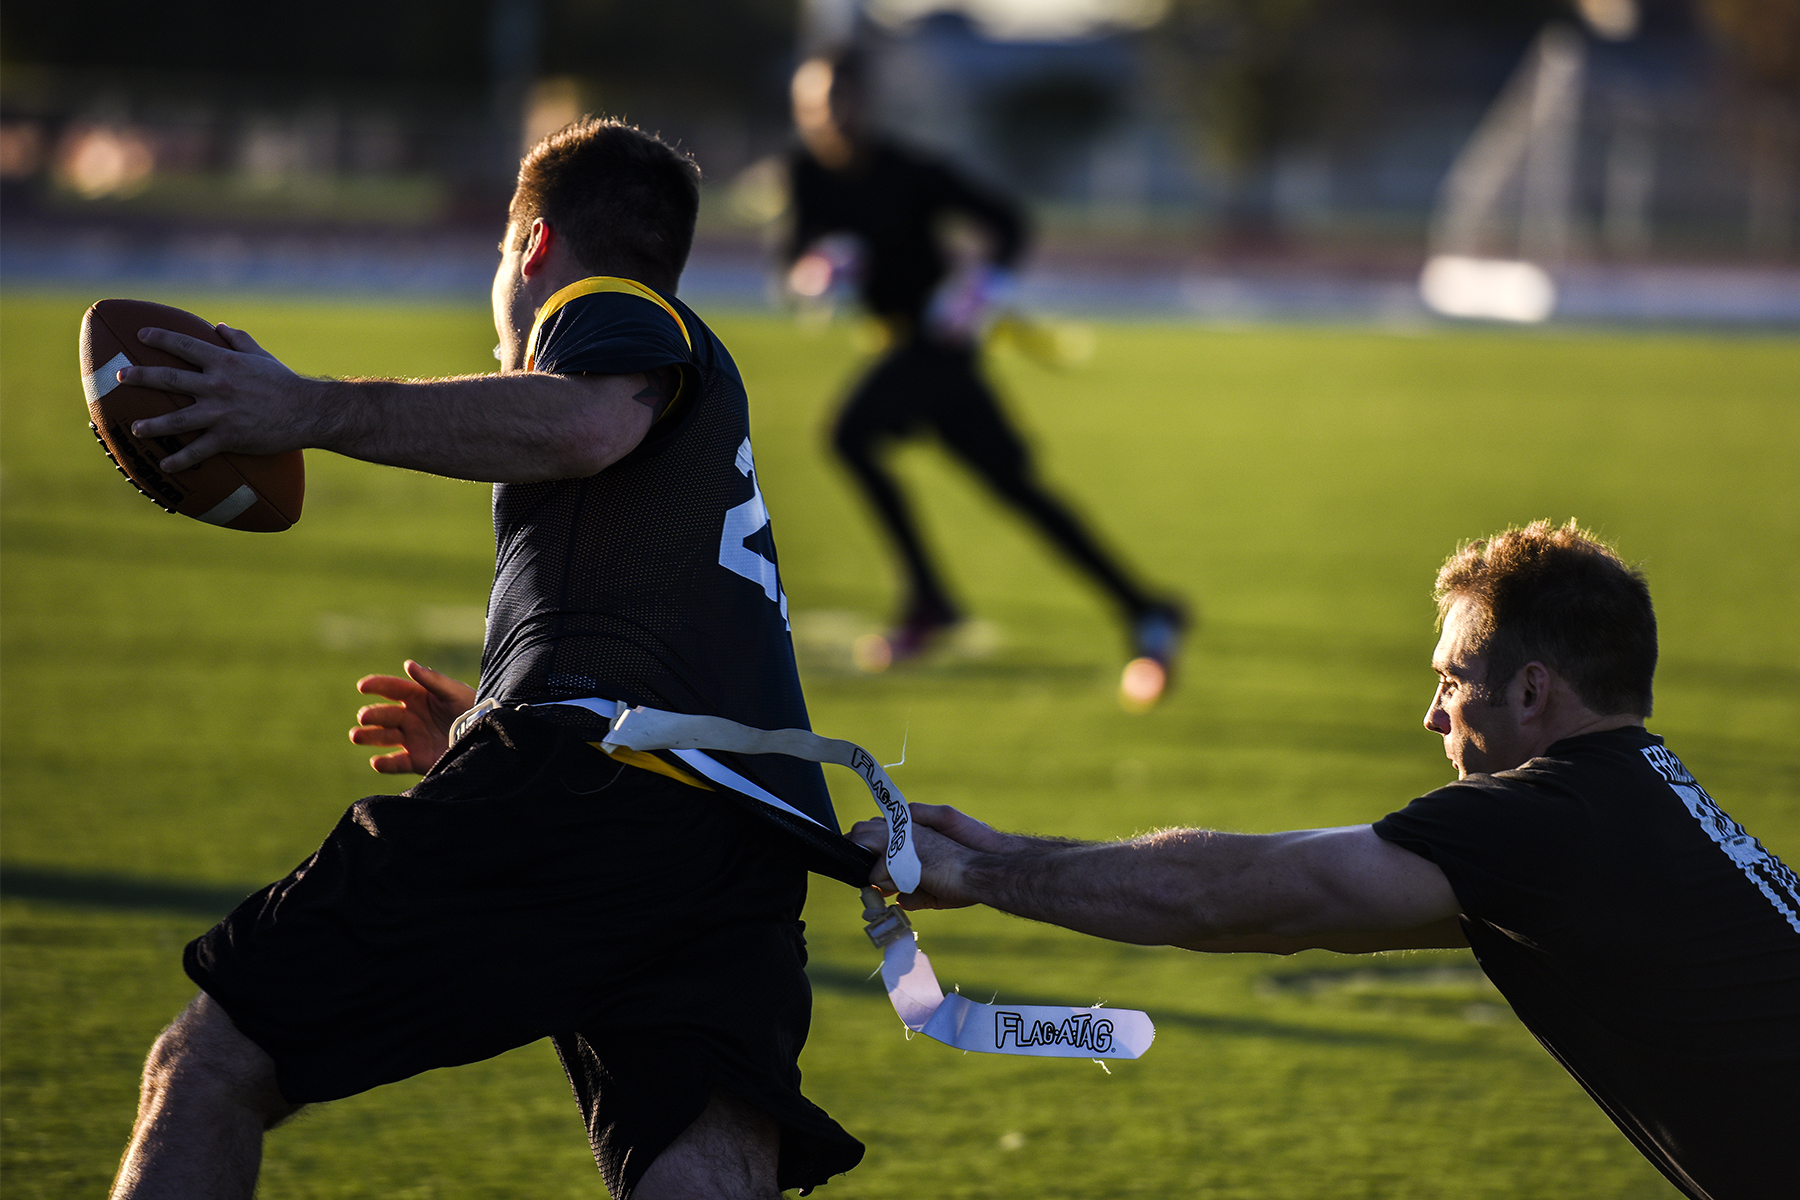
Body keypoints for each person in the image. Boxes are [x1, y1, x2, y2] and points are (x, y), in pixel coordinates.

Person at [108, 118, 874, 1200]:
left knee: (212, 1062)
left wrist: (304, 406)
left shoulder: (603, 309)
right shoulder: (708, 372)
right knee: (700, 1173)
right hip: (740, 838)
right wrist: (494, 723)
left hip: (590, 781)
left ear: (532, 245)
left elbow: (587, 425)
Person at [852, 520, 1799, 1200]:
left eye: (1450, 682)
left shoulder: (1547, 823)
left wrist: (976, 875)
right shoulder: (1638, 798)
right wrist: (1005, 852)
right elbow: (1287, 924)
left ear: (1532, 690)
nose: (1432, 716)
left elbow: (1228, 897)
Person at [785, 49, 1187, 702]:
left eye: (841, 99)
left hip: (939, 351)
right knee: (1014, 488)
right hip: (906, 353)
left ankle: (930, 600)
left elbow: (1009, 222)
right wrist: (817, 272)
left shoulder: (912, 172)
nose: (829, 116)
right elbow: (794, 260)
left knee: (849, 435)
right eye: (815, 104)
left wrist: (977, 291)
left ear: (866, 101)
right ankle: (1145, 607)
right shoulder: (806, 173)